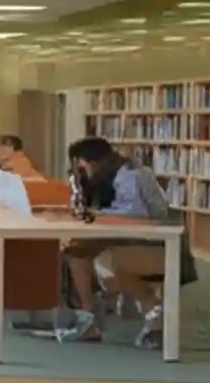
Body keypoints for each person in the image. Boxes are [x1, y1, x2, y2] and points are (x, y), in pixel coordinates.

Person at [61, 137, 172, 346]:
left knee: (99, 260)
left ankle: (149, 308)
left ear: (94, 163)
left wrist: (95, 214)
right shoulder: (114, 174)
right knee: (76, 252)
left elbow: (135, 213)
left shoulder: (129, 175)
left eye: (83, 167)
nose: (83, 172)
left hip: (156, 243)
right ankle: (90, 317)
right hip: (136, 238)